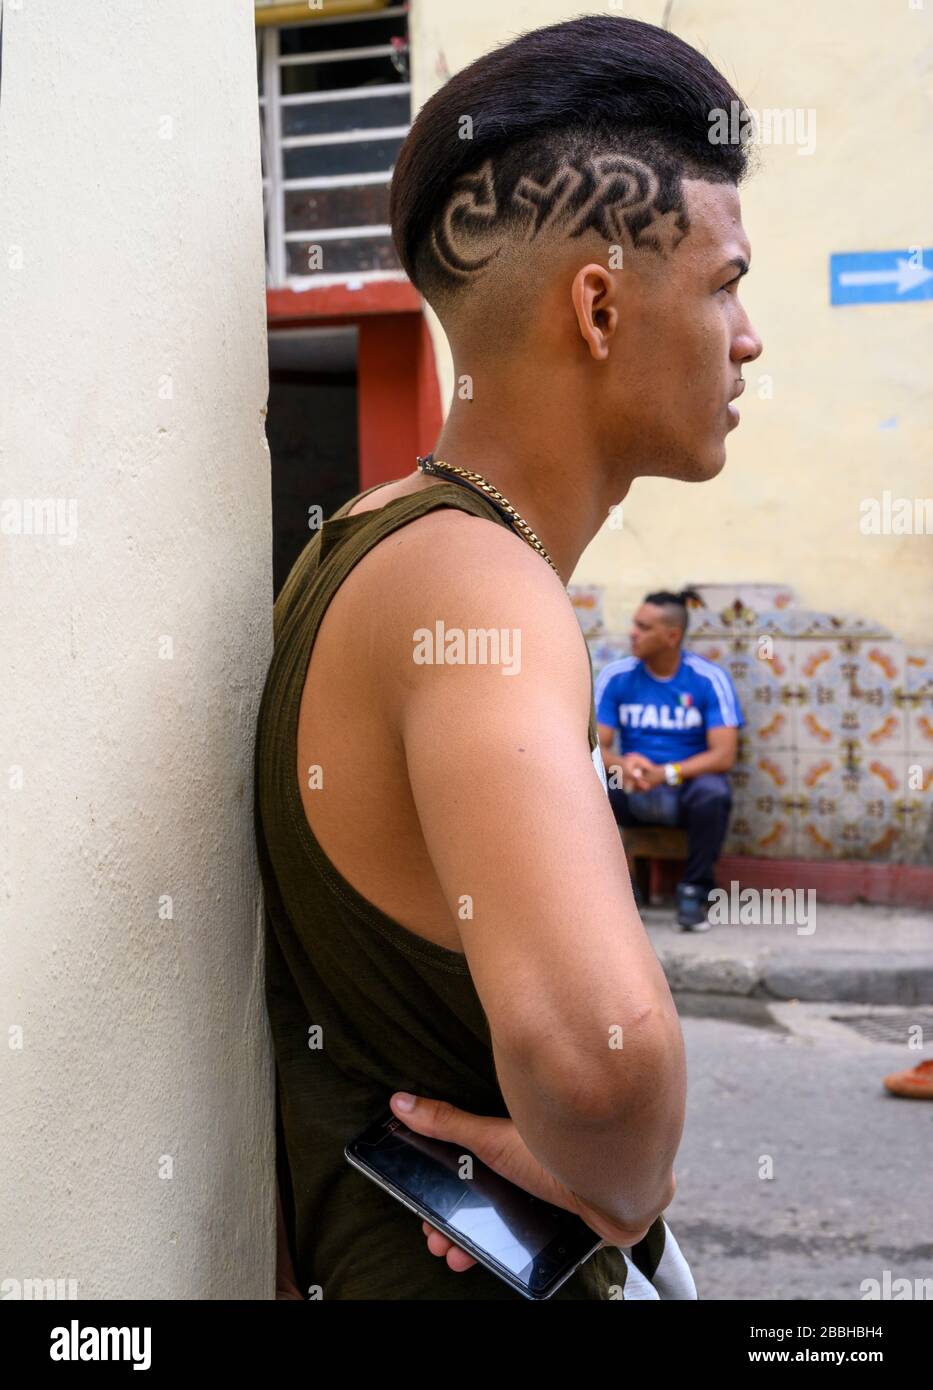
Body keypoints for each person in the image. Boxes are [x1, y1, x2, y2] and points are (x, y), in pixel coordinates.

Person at [256, 12, 763, 1300]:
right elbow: (602, 1061)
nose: (747, 334)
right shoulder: (481, 586)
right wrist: (629, 1187)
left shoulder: (373, 536)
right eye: (724, 283)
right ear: (598, 306)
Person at [596, 589, 744, 929]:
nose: (633, 633)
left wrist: (668, 772)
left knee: (713, 792)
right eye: (635, 624)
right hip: (633, 785)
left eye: (644, 627)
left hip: (684, 787)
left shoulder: (708, 679)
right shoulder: (616, 677)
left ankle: (694, 892)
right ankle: (620, 890)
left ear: (671, 636)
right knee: (590, 784)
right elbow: (594, 748)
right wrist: (622, 765)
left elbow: (724, 755)